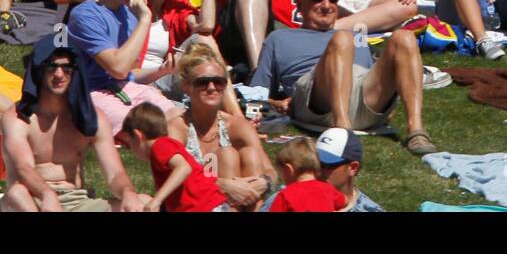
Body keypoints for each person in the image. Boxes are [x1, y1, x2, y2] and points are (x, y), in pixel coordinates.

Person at [249, 0, 437, 155]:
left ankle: (416, 130)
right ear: (299, 1)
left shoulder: (357, 35)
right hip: (315, 100)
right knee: (343, 40)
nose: (327, 5)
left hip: (360, 97)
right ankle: (342, 131)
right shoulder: (279, 38)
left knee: (404, 37)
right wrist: (277, 103)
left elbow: (369, 76)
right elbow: (256, 93)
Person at [0, 36, 145, 212]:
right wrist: (48, 195)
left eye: (67, 68)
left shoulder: (92, 117)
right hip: (34, 199)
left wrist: (128, 192)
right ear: (39, 70)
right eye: (52, 66)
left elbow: (115, 174)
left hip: (76, 202)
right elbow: (23, 167)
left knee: (144, 202)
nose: (59, 74)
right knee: (17, 193)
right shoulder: (19, 117)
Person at [67, 0, 181, 138]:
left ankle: (186, 164)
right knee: (141, 132)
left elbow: (128, 74)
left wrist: (162, 71)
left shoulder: (129, 14)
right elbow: (117, 68)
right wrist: (145, 19)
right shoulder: (84, 15)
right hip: (93, 93)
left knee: (176, 119)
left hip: (127, 88)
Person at [169, 43, 275, 209]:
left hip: (240, 203)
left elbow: (270, 171)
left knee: (250, 155)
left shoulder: (237, 125)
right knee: (227, 155)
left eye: (218, 81)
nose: (211, 88)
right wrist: (222, 185)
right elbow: (171, 179)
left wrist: (263, 182)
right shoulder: (177, 127)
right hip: (193, 203)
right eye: (202, 82)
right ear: (186, 87)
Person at [123, 101, 228, 212]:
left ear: (138, 135)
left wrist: (157, 200)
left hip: (206, 207)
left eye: (129, 143)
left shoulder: (159, 146)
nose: (129, 149)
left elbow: (183, 168)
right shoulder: (164, 145)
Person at [267, 136, 346, 211]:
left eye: (282, 173)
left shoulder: (286, 195)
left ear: (289, 170)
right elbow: (345, 201)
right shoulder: (328, 188)